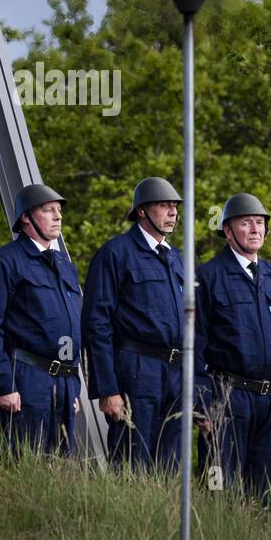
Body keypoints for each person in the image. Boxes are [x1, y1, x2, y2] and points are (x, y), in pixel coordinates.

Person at [82, 177, 187, 470]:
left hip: (175, 373)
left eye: (174, 207)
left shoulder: (177, 259)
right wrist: (107, 388)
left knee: (170, 467)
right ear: (142, 211)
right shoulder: (115, 253)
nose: (172, 213)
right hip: (136, 369)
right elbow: (96, 323)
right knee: (132, 462)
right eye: (164, 206)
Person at [194, 193, 271, 503]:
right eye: (246, 222)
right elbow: (196, 342)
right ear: (227, 230)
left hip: (268, 401)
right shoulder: (208, 276)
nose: (255, 229)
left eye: (260, 223)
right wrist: (202, 403)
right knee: (218, 485)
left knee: (263, 492)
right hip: (227, 396)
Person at [0, 183, 83, 455]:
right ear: (26, 217)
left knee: (58, 471)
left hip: (64, 384)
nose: (58, 216)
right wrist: (2, 384)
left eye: (59, 210)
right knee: (23, 465)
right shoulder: (3, 262)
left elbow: (72, 326)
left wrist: (74, 384)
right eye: (49, 210)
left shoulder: (65, 266)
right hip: (26, 380)